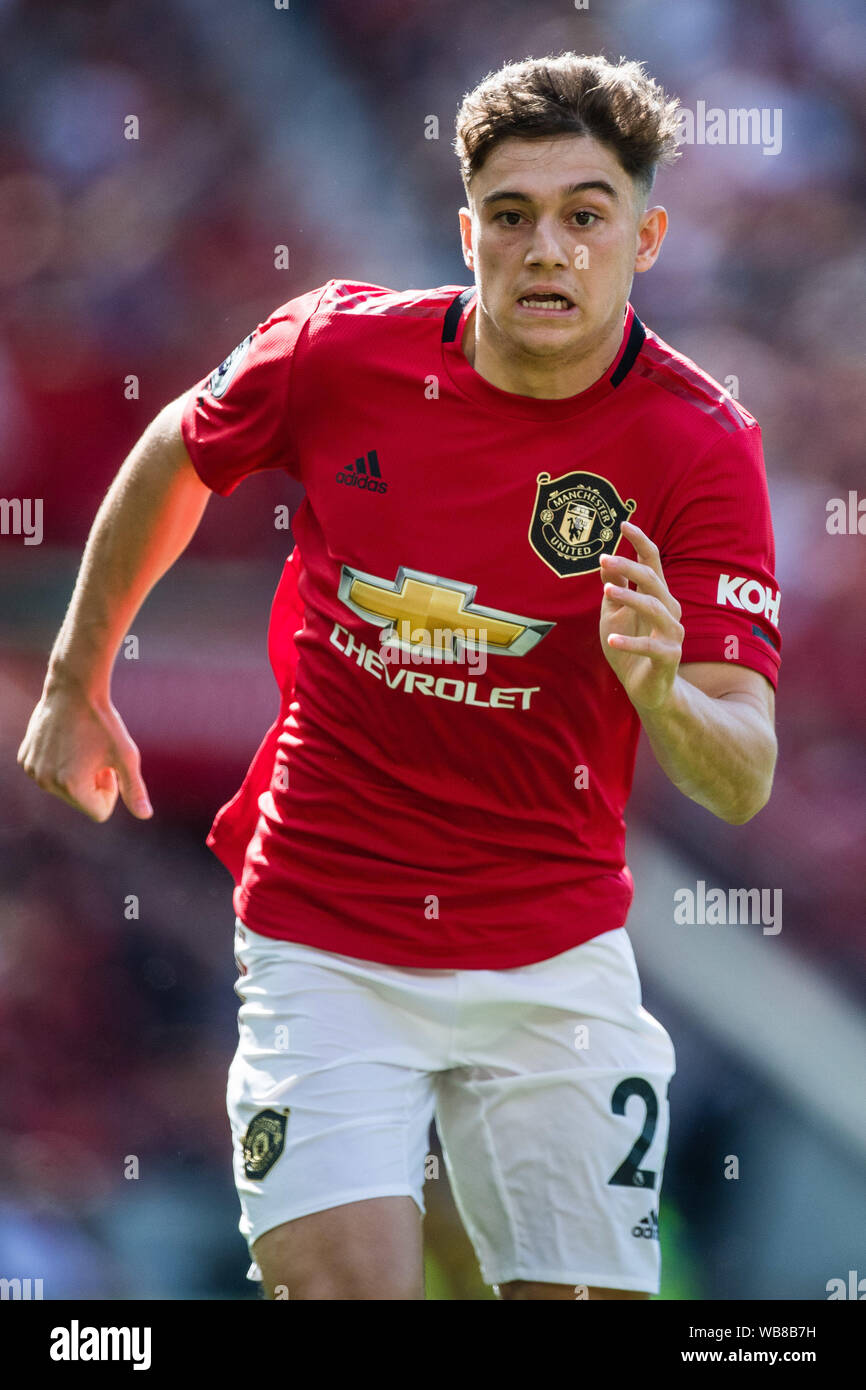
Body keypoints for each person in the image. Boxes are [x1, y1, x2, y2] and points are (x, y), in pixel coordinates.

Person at [18, 52, 781, 1301]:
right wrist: (74, 675)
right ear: (463, 227)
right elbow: (179, 448)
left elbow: (740, 774)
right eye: (512, 215)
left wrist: (667, 699)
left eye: (585, 216)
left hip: (551, 954)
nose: (546, 249)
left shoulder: (698, 446)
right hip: (324, 933)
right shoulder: (336, 351)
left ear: (642, 235)